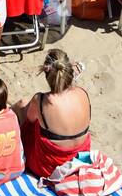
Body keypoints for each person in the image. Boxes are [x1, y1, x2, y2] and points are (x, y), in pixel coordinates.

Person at [13, 49, 91, 179]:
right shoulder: (83, 93)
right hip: (80, 159)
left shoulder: (41, 100)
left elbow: (29, 121)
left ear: (46, 73)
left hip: (50, 168)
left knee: (22, 105)